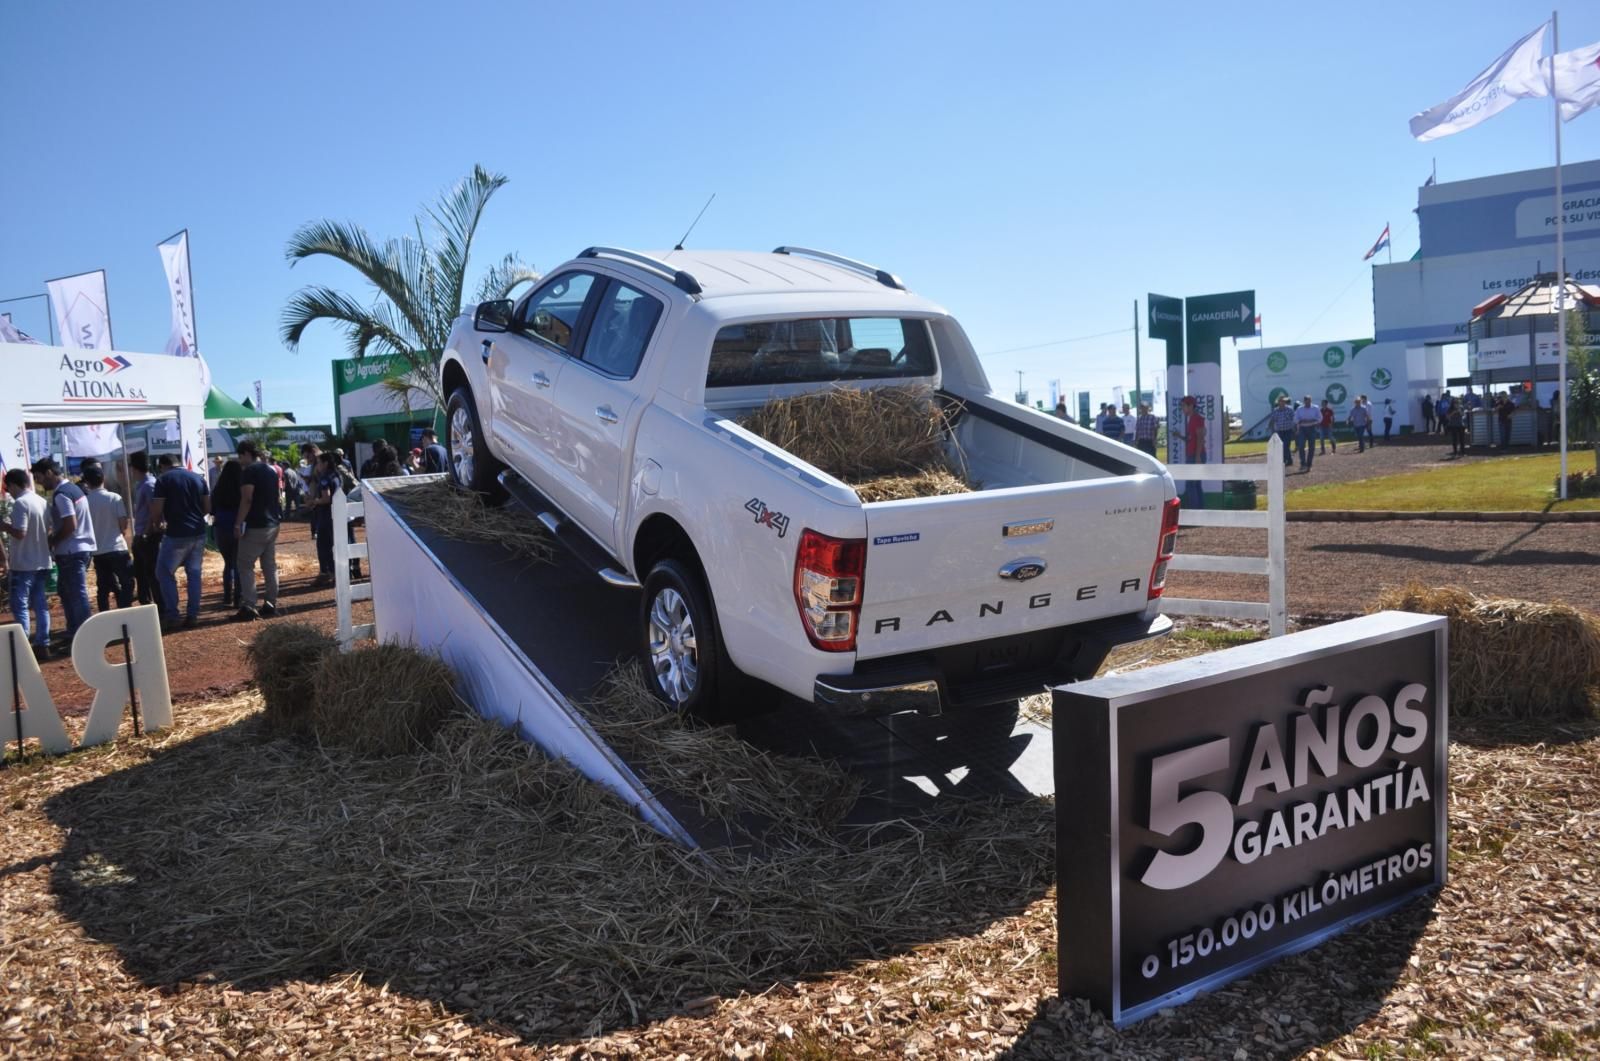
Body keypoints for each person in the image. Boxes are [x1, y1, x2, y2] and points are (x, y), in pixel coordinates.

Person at [32, 458, 96, 642]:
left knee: (75, 593)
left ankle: (84, 634)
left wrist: (52, 540)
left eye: (39, 478)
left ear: (49, 473)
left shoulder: (62, 494)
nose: (39, 483)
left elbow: (70, 524)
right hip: (78, 549)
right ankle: (77, 630)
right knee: (68, 591)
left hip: (71, 550)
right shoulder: (74, 489)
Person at [149, 452, 211, 631]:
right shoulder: (198, 478)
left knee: (163, 572)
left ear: (163, 465)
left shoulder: (163, 480)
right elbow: (208, 507)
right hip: (198, 532)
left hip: (176, 533)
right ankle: (193, 614)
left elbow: (157, 509)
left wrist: (156, 524)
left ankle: (173, 615)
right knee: (194, 574)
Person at [2, 469, 52, 659]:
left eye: (8, 488)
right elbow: (48, 528)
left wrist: (3, 526)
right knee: (40, 604)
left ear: (13, 485)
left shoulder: (21, 503)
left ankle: (23, 646)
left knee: (20, 604)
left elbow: (20, 532)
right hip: (42, 560)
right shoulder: (41, 501)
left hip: (24, 563)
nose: (9, 492)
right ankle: (42, 643)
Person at [232, 439, 282, 621]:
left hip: (256, 524)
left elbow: (247, 499)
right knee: (269, 565)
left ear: (246, 454)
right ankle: (270, 602)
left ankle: (249, 605)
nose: (240, 460)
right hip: (273, 523)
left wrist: (238, 523)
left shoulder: (249, 472)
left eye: (240, 456)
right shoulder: (271, 470)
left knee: (245, 565)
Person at [82, 464, 134, 612]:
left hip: (98, 550)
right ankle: (125, 610)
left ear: (87, 482)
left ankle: (104, 615)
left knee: (103, 588)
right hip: (117, 547)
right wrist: (121, 532)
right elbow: (123, 523)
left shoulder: (85, 501)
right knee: (127, 582)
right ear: (103, 479)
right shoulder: (114, 498)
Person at [128, 450, 163, 610]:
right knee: (141, 573)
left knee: (151, 573)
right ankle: (146, 604)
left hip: (148, 536)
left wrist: (146, 534)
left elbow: (153, 511)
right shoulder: (142, 484)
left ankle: (158, 608)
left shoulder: (149, 485)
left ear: (134, 468)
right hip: (142, 534)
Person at [211, 459, 243, 608]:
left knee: (228, 563)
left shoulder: (218, 489)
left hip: (221, 528)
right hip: (238, 526)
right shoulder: (242, 488)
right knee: (238, 563)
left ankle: (227, 596)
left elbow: (212, 510)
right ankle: (238, 597)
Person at [308, 452, 342, 585]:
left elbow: (326, 498)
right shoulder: (337, 475)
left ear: (325, 463)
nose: (317, 465)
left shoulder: (324, 478)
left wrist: (314, 501)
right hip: (337, 513)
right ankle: (336, 572)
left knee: (323, 544)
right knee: (335, 543)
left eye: (319, 463)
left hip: (326, 514)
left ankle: (326, 572)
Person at [1293, 395, 1321, 472]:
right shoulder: (1299, 409)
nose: (1308, 403)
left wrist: (1313, 421)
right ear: (1304, 401)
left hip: (1312, 428)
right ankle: (1303, 464)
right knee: (1301, 446)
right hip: (1302, 428)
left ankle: (1309, 464)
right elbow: (1295, 419)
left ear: (1311, 400)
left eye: (1309, 401)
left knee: (1312, 447)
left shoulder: (1315, 408)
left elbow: (1320, 418)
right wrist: (1301, 421)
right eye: (1306, 401)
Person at [1269, 395, 1295, 467]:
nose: (1282, 402)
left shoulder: (1290, 409)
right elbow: (1273, 420)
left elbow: (1294, 419)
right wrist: (1270, 428)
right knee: (1281, 446)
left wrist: (1294, 428)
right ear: (1278, 402)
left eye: (1283, 401)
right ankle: (1289, 460)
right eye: (1280, 401)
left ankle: (1284, 460)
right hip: (1279, 431)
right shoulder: (1275, 410)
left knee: (1286, 445)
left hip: (1288, 430)